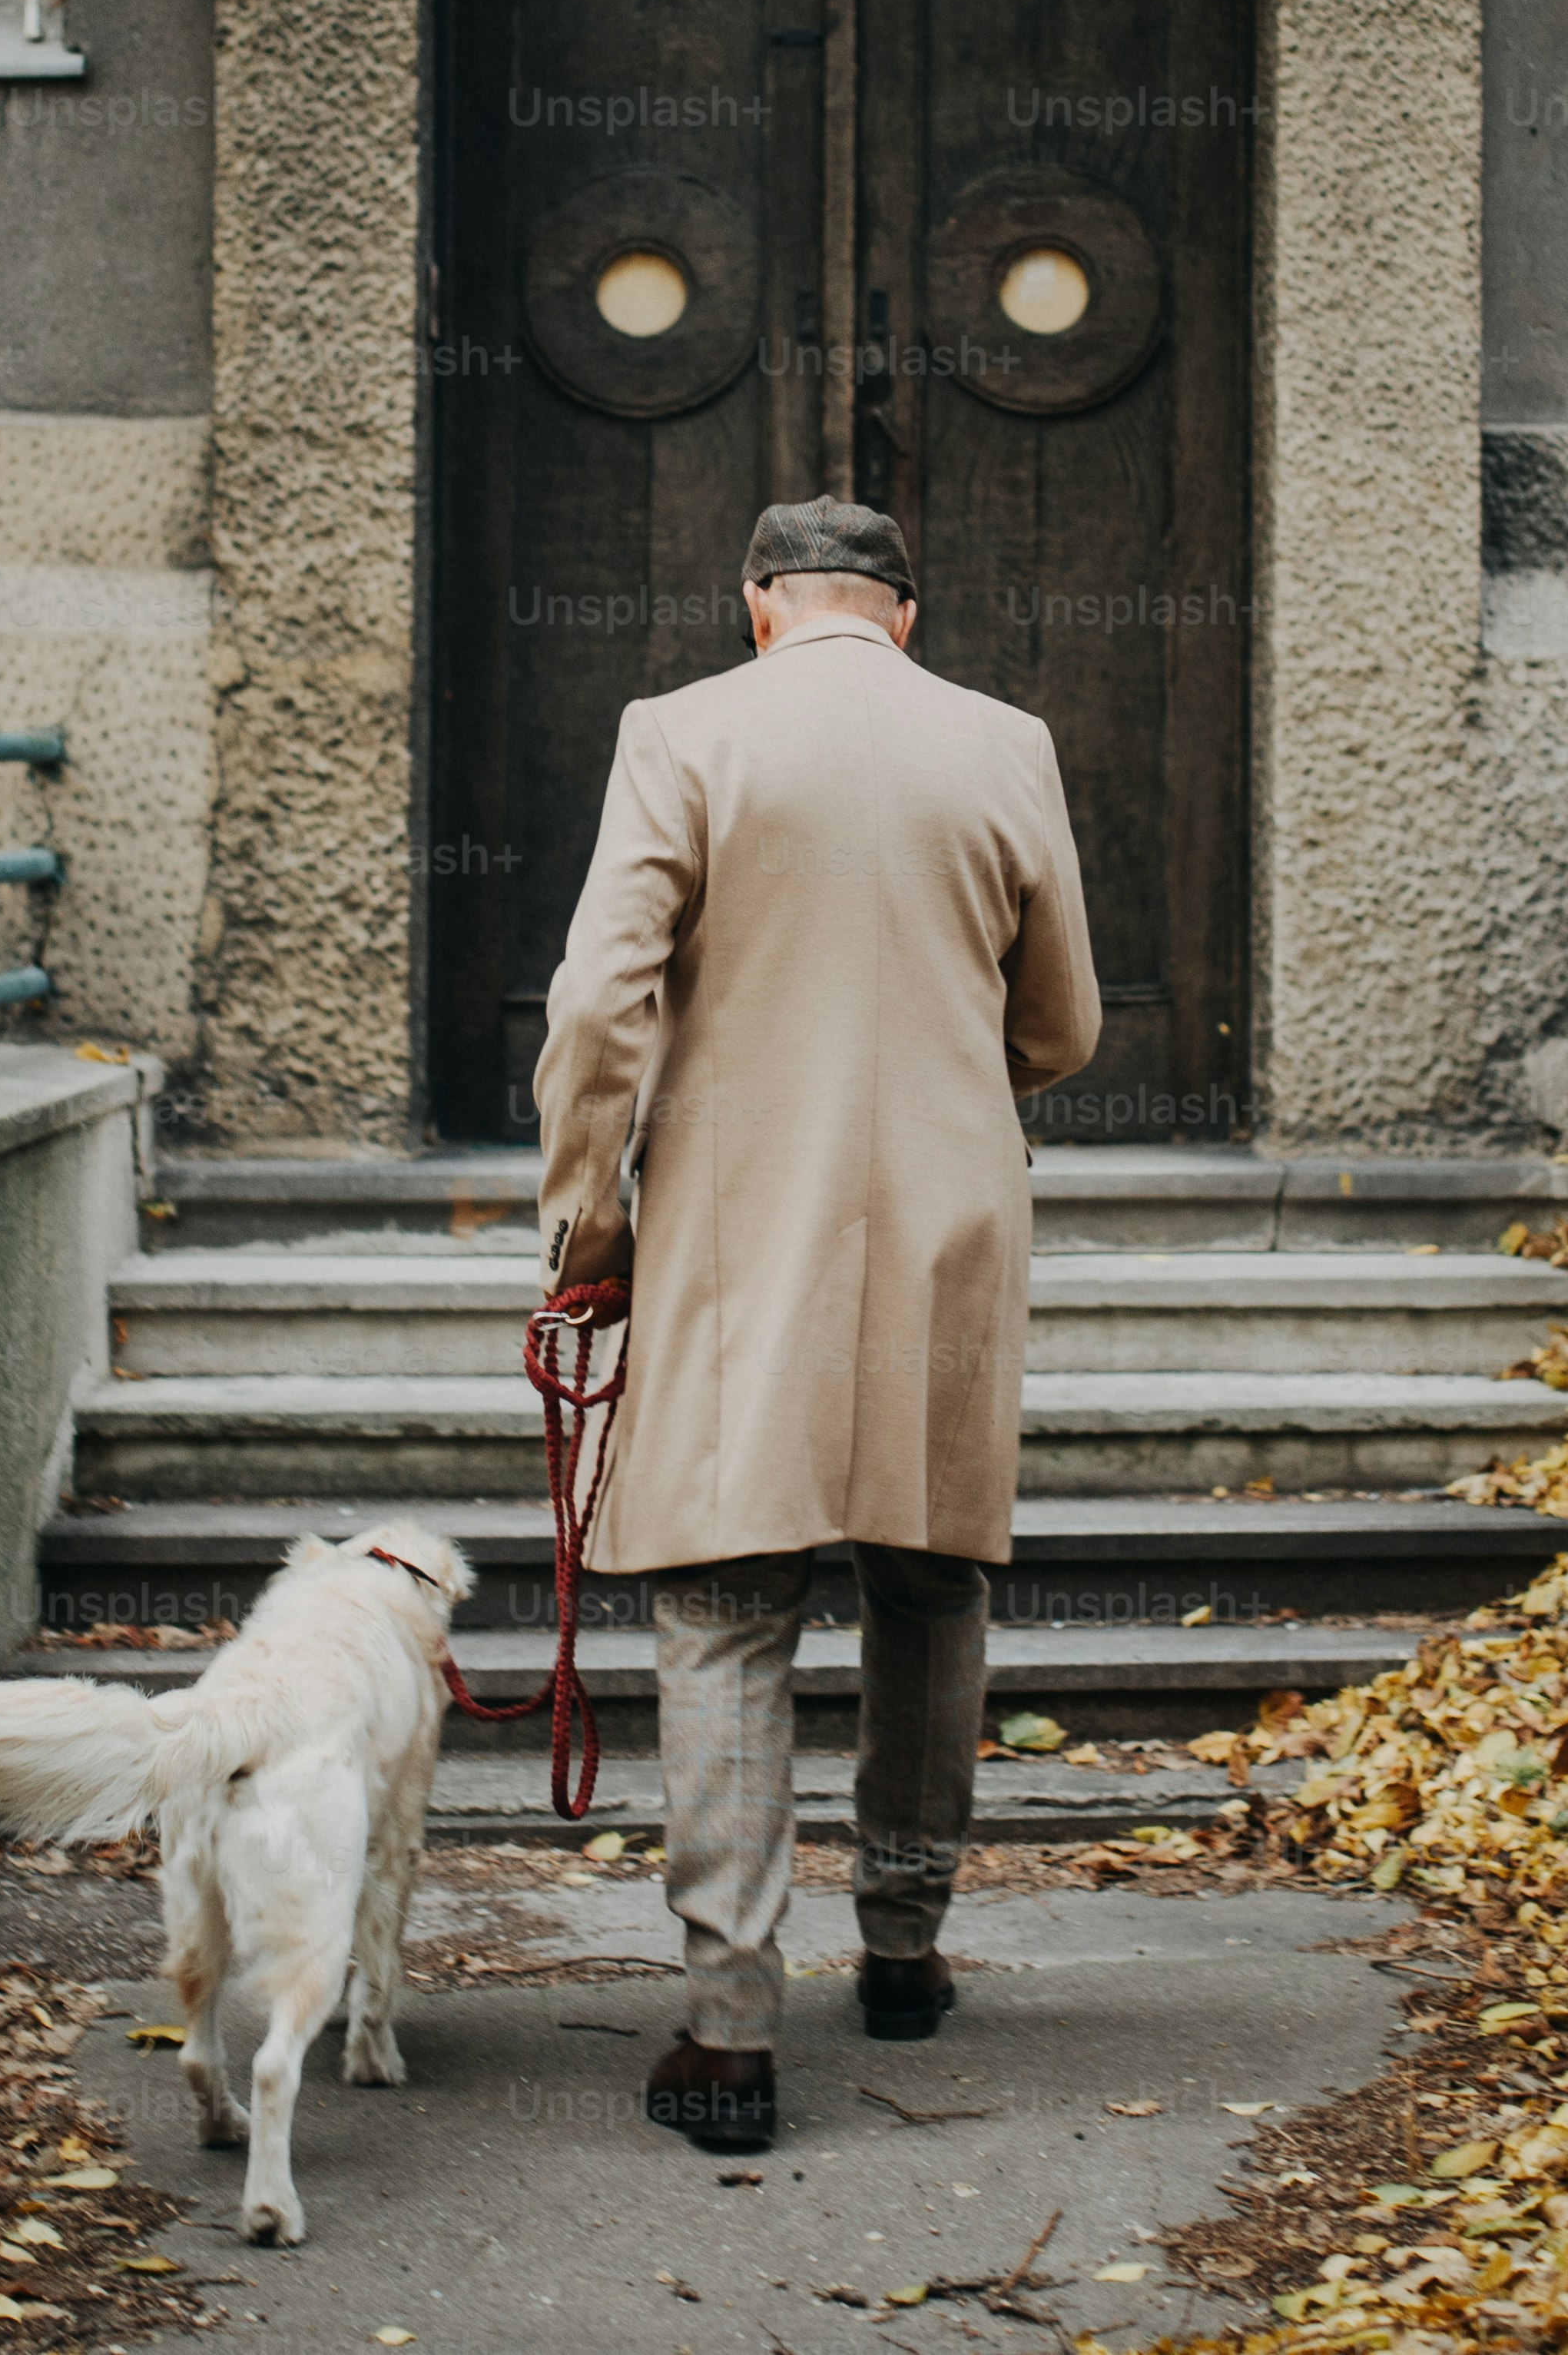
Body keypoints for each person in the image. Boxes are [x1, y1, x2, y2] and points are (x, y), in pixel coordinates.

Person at [529, 497, 1102, 2155]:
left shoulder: (683, 730)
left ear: (758, 604)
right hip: (944, 1231)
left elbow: (595, 1001)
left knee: (721, 1608)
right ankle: (907, 1948)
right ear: (903, 613)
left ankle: (727, 2029)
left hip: (733, 1236)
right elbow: (1058, 1018)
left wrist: (592, 1219)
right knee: (929, 1585)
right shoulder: (1007, 744)